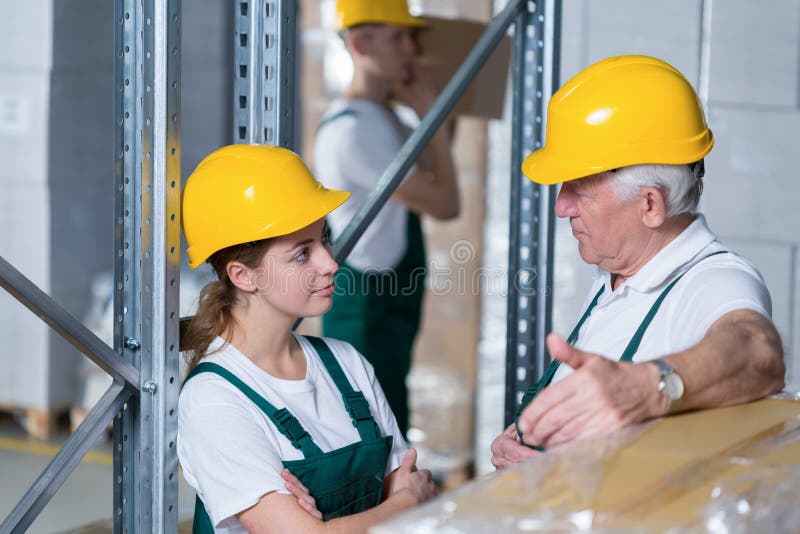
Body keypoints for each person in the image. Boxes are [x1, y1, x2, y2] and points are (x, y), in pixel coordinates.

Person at [491, 55, 785, 469]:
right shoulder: (617, 272)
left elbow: (758, 352)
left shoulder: (714, 280)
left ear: (649, 204)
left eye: (579, 188)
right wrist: (528, 444)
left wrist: (649, 386)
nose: (561, 207)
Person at [178, 144, 435, 533]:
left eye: (324, 239)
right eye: (302, 254)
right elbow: (407, 498)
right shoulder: (215, 400)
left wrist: (391, 505)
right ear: (244, 276)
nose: (331, 263)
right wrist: (403, 501)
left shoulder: (347, 365)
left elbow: (411, 496)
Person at [313, 0, 460, 436]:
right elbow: (447, 203)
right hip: (363, 301)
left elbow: (435, 171)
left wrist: (428, 117)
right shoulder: (353, 132)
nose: (411, 50)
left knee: (391, 414)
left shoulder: (383, 119)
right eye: (398, 37)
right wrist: (437, 115)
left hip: (388, 288)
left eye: (410, 37)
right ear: (360, 43)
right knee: (370, 427)